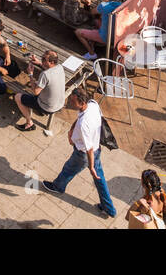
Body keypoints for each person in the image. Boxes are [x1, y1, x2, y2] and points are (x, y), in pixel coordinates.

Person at [41, 88, 118, 218]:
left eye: (73, 101)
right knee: (100, 179)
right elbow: (80, 119)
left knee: (68, 169)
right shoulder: (93, 104)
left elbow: (89, 149)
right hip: (97, 149)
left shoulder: (84, 124)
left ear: (81, 102)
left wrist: (91, 167)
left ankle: (58, 187)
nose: (70, 102)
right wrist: (71, 130)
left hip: (83, 154)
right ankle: (109, 209)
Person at [13, 49, 66, 133]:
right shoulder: (60, 67)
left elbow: (36, 92)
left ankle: (29, 123)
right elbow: (49, 73)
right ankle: (39, 111)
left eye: (44, 59)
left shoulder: (45, 74)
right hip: (60, 103)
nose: (42, 60)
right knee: (39, 83)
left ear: (51, 62)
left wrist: (30, 74)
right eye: (42, 58)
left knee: (17, 97)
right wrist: (40, 63)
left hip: (47, 107)